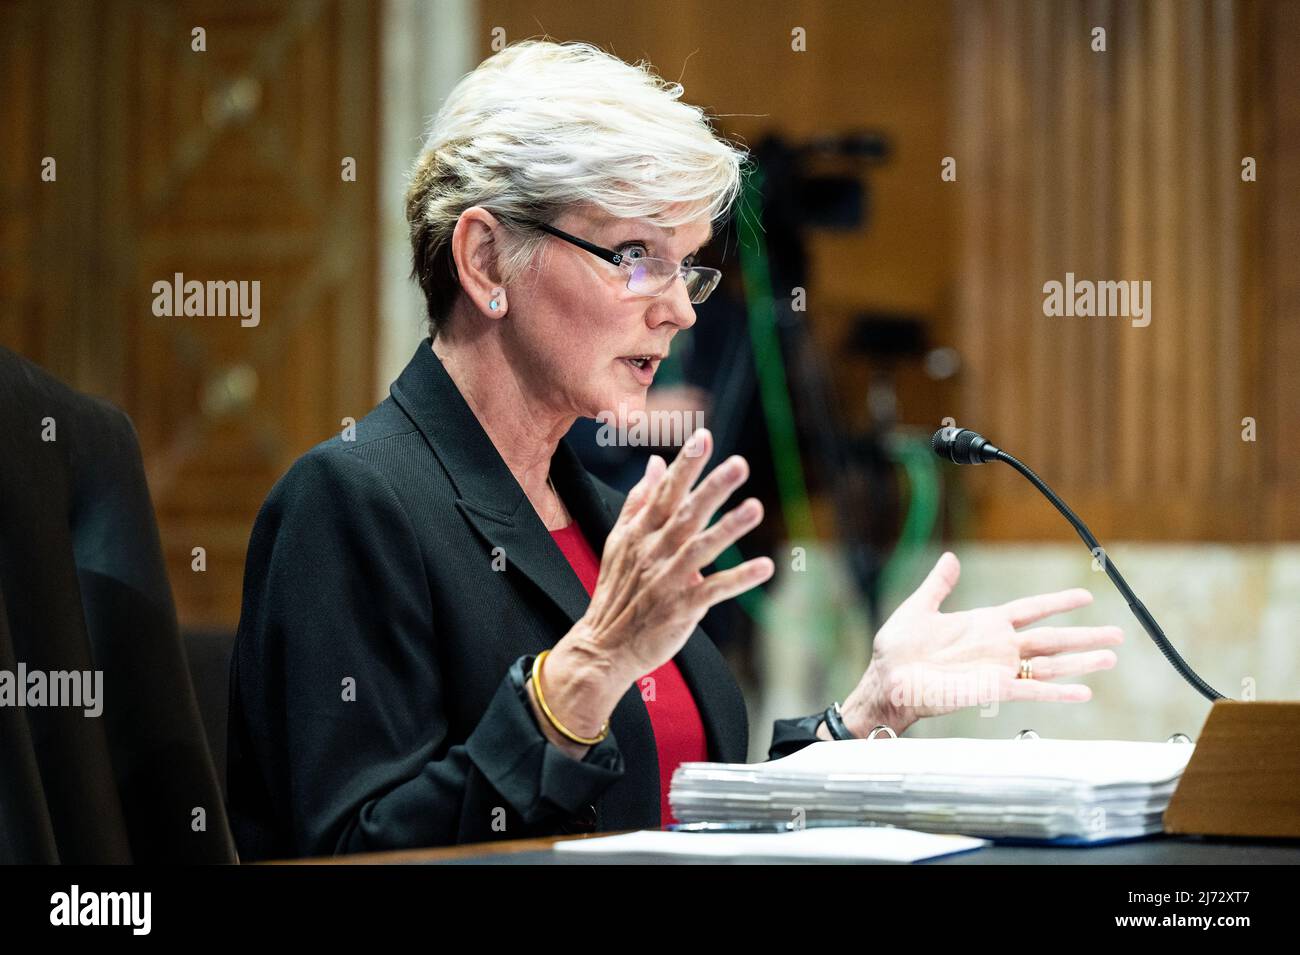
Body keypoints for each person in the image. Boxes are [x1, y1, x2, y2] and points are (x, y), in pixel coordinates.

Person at [226, 39, 1123, 861]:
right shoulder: (351, 501)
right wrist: (578, 681)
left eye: (687, 264)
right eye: (634, 255)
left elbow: (681, 817)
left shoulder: (615, 522)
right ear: (487, 261)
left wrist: (862, 717)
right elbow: (347, 849)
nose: (682, 309)